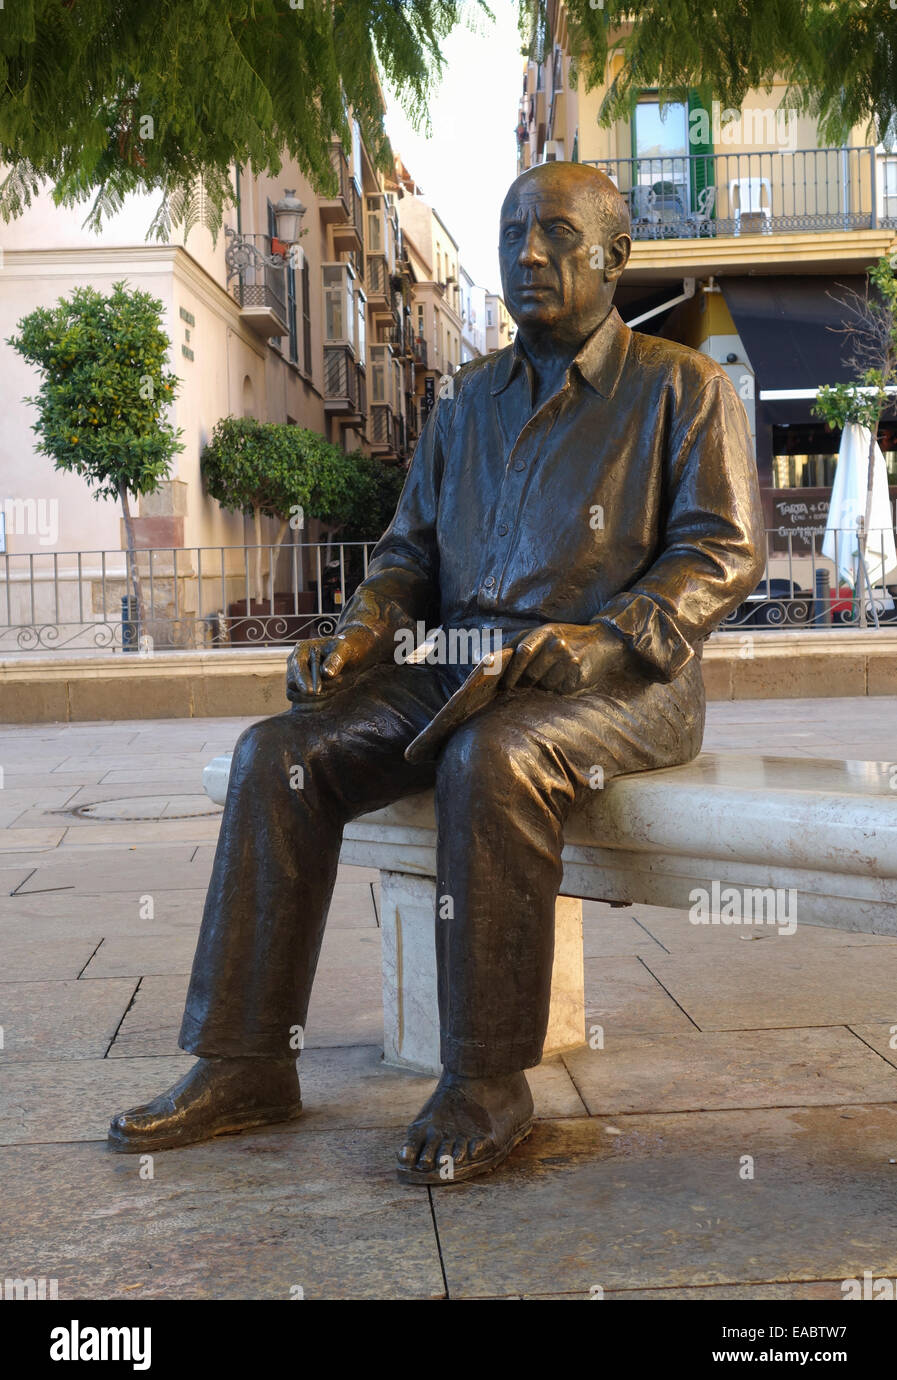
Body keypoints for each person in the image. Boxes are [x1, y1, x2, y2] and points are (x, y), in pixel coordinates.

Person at [109, 163, 764, 1184]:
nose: (529, 254)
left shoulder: (684, 389)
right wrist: (360, 635)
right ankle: (242, 1062)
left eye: (555, 234)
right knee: (277, 754)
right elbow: (407, 554)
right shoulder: (467, 406)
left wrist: (605, 638)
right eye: (512, 235)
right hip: (464, 662)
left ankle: (488, 1080)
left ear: (616, 256)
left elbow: (720, 550)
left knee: (492, 761)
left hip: (625, 677)